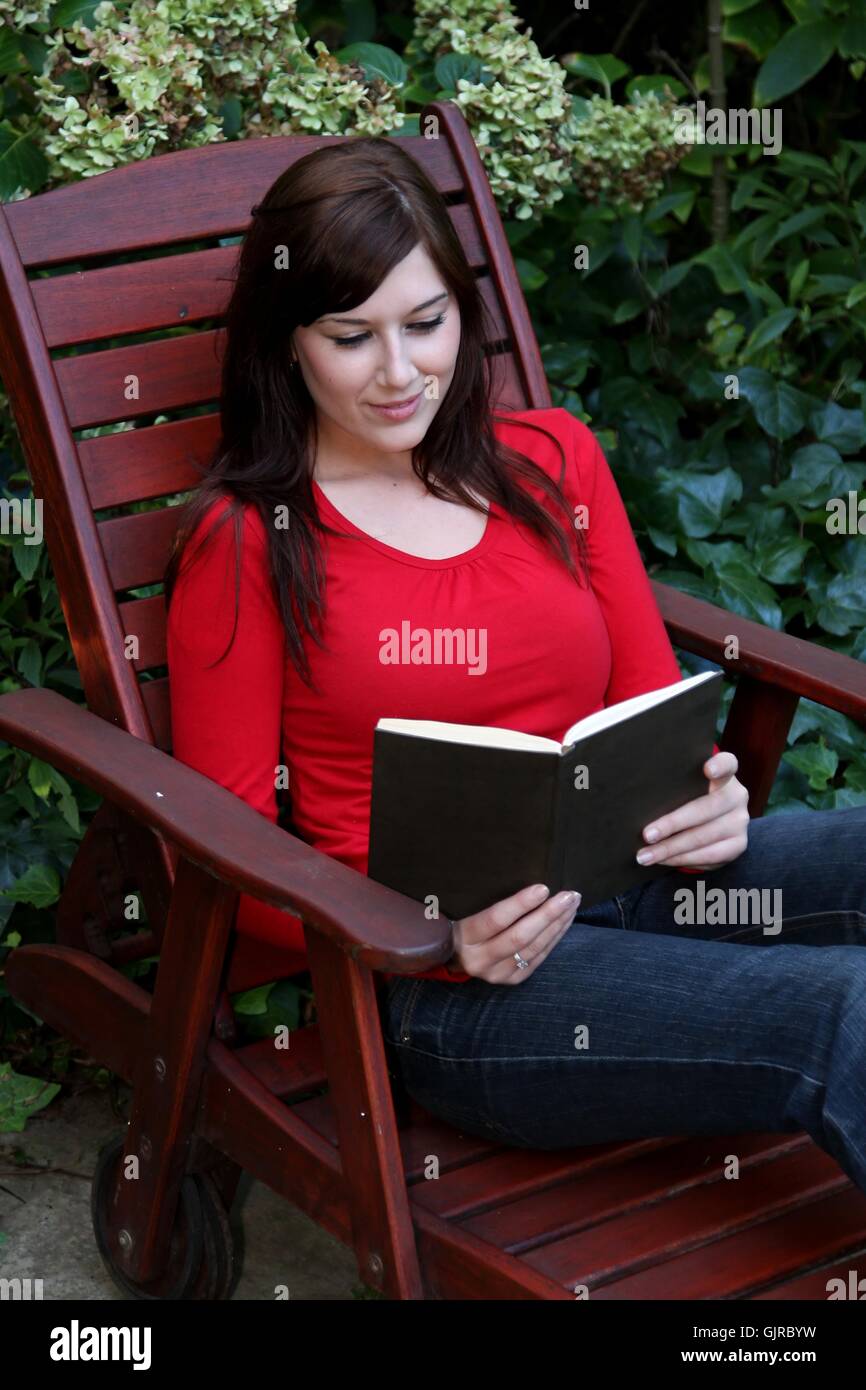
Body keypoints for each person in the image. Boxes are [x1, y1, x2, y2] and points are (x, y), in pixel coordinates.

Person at [165, 136, 866, 1193]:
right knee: (844, 1008)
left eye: (425, 322)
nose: (400, 373)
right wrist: (433, 938)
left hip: (646, 885)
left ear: (462, 310)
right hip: (470, 990)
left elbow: (647, 708)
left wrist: (710, 795)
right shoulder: (254, 541)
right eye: (351, 336)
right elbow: (213, 857)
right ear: (288, 344)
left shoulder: (550, 460)